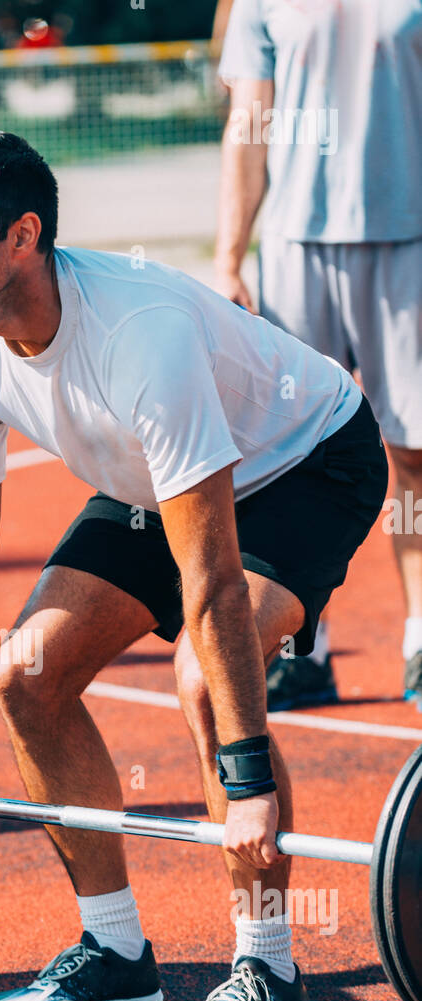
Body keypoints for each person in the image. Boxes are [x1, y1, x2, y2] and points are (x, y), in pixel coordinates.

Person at [0, 130, 387, 1001]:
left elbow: (205, 580)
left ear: (22, 237)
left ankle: (270, 975)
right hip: (147, 485)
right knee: (23, 677)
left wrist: (245, 787)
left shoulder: (137, 331)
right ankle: (115, 955)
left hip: (302, 463)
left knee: (207, 679)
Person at [214, 0, 422, 710]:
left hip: (410, 239)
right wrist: (228, 255)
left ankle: (419, 643)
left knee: (415, 455)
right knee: (293, 458)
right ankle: (306, 651)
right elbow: (247, 123)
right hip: (295, 247)